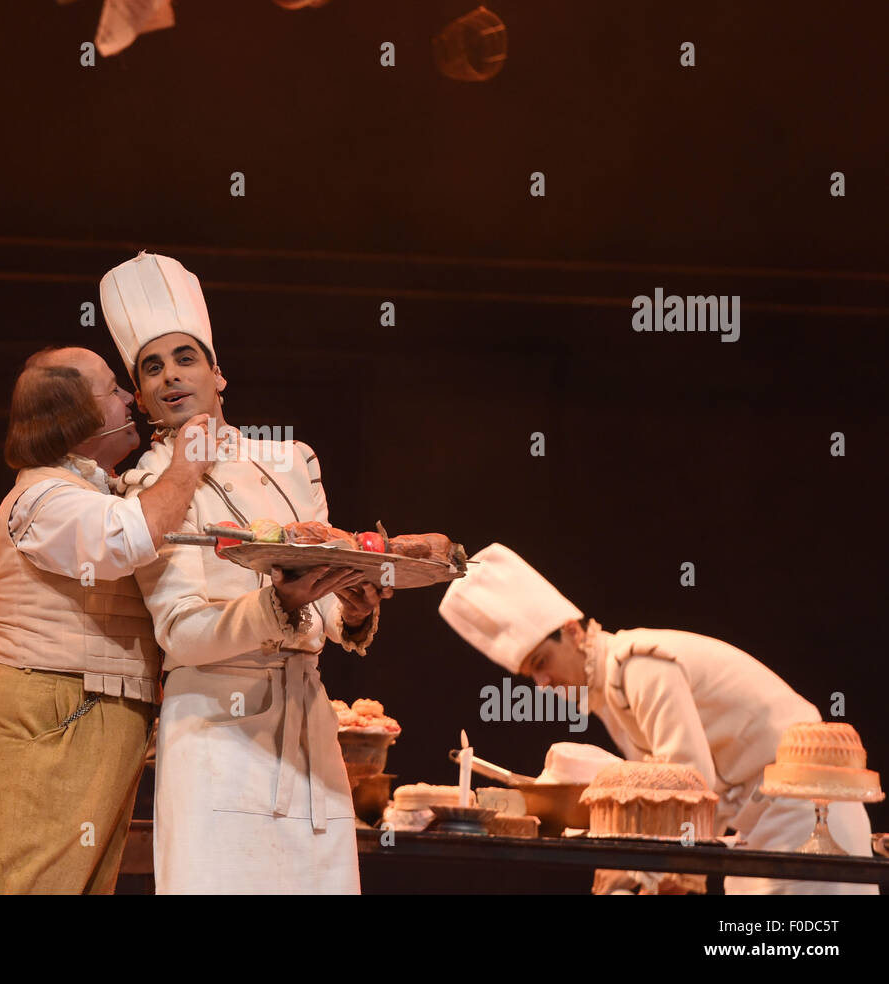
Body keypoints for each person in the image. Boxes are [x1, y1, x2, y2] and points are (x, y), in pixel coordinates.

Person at [103, 250, 388, 893]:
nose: (172, 376)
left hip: (308, 728)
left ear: (217, 374)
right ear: (142, 394)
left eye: (185, 358)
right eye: (152, 368)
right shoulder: (144, 490)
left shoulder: (292, 460)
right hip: (212, 734)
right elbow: (180, 632)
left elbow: (327, 604)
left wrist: (358, 606)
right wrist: (279, 606)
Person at [439, 542, 877, 895]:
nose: (542, 682)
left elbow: (688, 787)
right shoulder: (609, 693)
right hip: (756, 827)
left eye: (542, 661)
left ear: (572, 631)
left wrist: (637, 870)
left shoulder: (638, 665)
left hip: (806, 813)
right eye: (530, 673)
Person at [0, 346, 212, 893]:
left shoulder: (99, 489)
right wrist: (189, 459)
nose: (129, 398)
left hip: (96, 714)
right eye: (115, 390)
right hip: (49, 713)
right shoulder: (42, 497)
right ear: (78, 417)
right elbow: (127, 538)